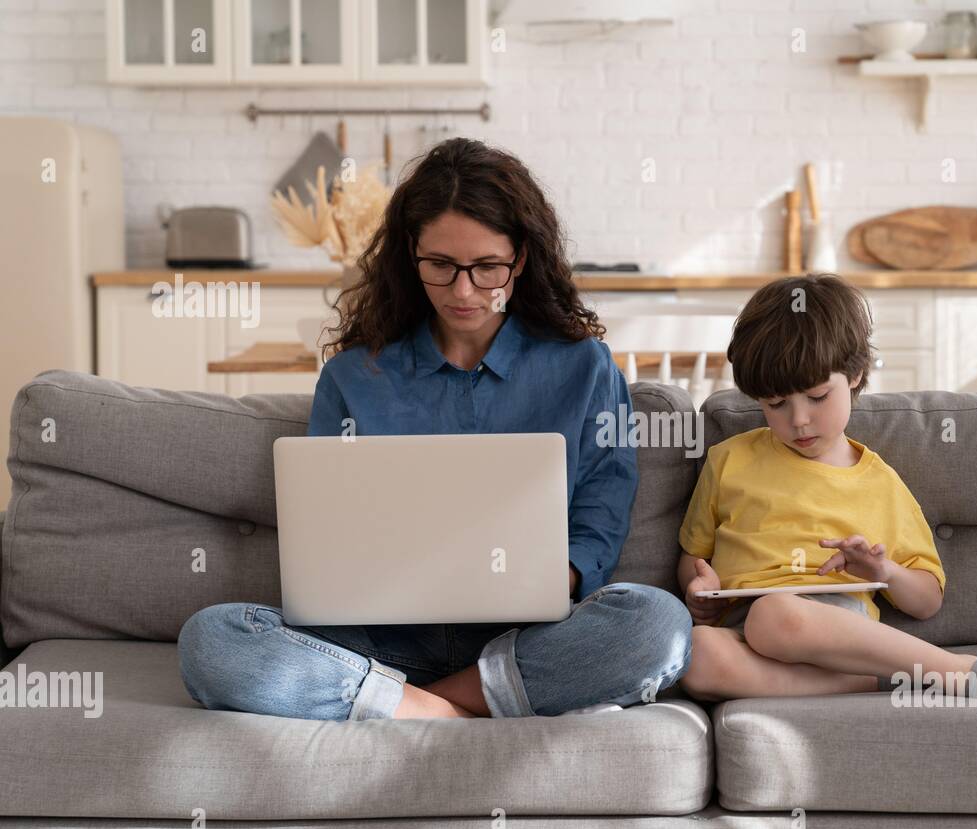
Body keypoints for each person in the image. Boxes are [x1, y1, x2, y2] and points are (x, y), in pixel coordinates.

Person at [178, 138, 691, 721]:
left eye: (487, 267)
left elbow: (602, 505)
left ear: (521, 257)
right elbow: (327, 530)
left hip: (527, 638)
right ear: (410, 255)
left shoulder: (584, 367)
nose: (464, 291)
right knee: (213, 640)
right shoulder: (354, 376)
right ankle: (466, 708)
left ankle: (406, 705)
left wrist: (556, 573)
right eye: (441, 266)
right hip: (379, 639)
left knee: (657, 622)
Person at [676, 273, 977, 703]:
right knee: (698, 656)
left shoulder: (878, 481)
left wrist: (884, 573)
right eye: (776, 404)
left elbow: (927, 599)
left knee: (774, 614)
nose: (798, 420)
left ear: (855, 374)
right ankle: (896, 678)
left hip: (833, 622)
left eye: (817, 397)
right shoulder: (729, 459)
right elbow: (695, 556)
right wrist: (699, 590)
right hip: (744, 628)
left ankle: (960, 671)